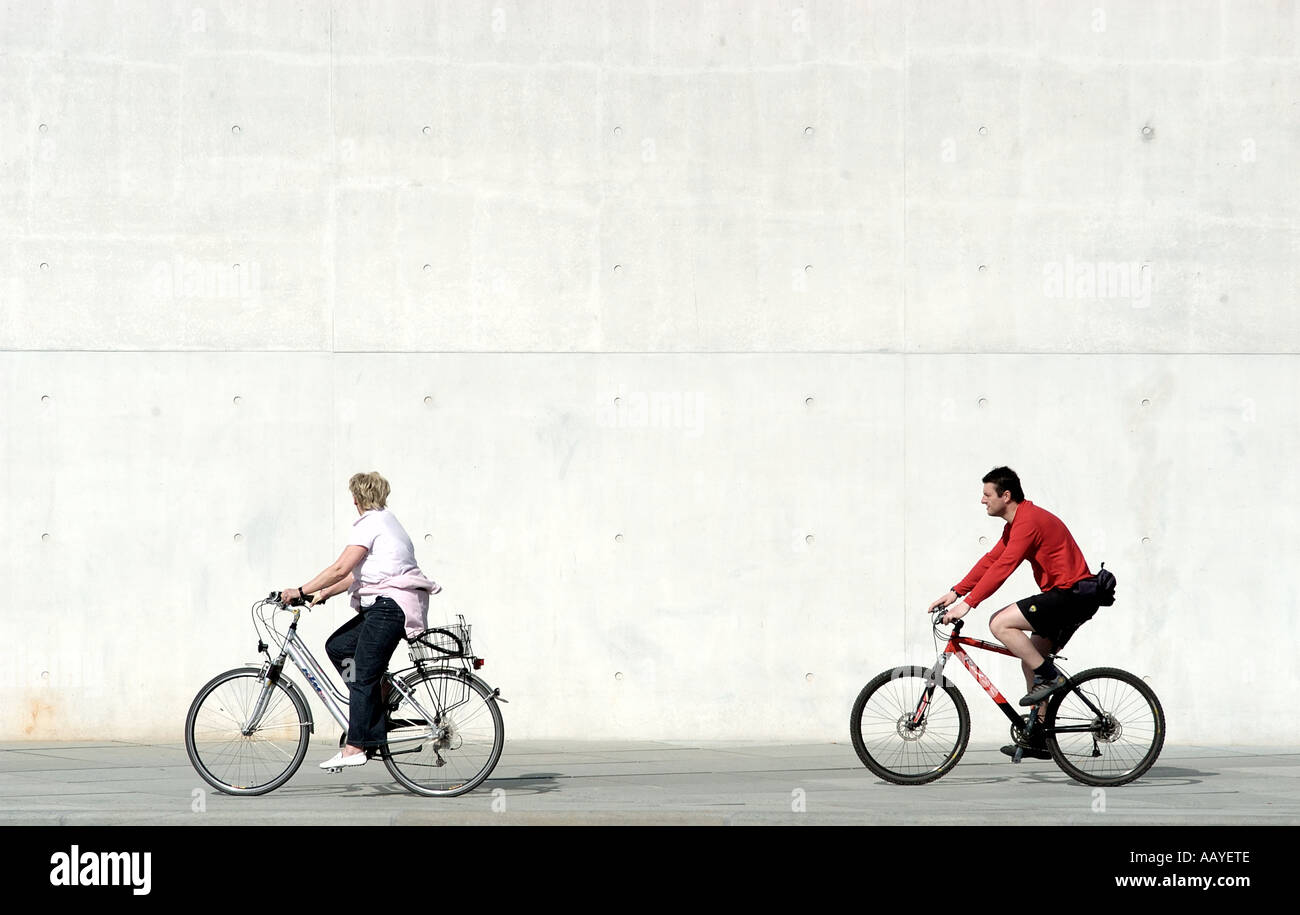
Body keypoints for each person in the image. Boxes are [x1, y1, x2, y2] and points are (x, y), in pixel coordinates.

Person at [927, 466, 1102, 760]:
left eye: (987, 494)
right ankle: (1040, 737)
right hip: (1066, 597)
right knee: (1030, 660)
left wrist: (967, 605)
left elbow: (1004, 567)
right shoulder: (1017, 524)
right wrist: (956, 591)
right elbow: (991, 560)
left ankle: (1050, 678)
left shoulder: (1029, 521)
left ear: (1005, 496)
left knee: (1000, 623)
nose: (982, 500)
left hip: (1071, 595)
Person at [280, 472, 439, 770]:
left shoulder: (371, 524)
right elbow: (361, 574)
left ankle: (355, 747)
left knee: (362, 674)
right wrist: (324, 593)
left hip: (390, 608)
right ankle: (378, 695)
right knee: (339, 647)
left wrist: (299, 590)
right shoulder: (388, 521)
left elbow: (342, 567)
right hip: (390, 605)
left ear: (355, 498)